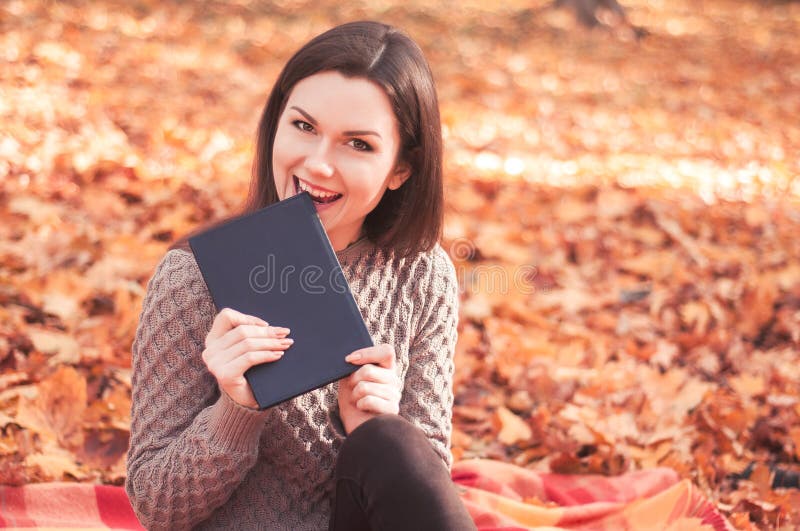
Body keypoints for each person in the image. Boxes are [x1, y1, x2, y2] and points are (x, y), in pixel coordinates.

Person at [125, 20, 476, 531]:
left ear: (401, 169)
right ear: (277, 124)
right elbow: (155, 508)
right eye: (304, 127)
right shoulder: (193, 279)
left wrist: (378, 427)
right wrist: (237, 409)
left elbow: (424, 496)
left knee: (393, 442)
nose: (317, 164)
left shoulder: (423, 277)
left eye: (357, 144)